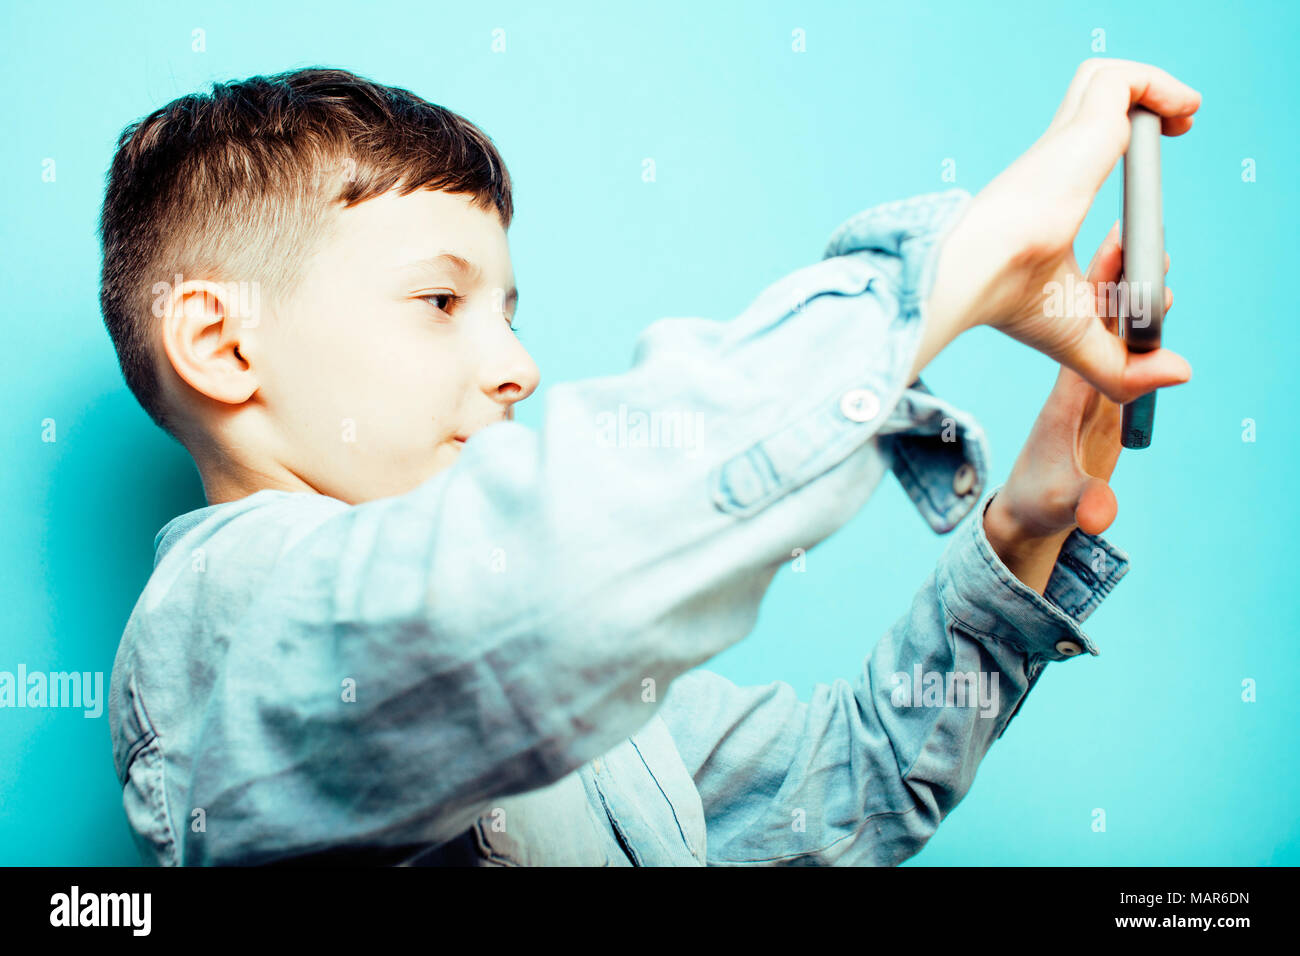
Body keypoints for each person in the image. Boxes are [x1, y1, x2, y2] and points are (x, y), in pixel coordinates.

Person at [100, 60, 1199, 865]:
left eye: (511, 315)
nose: (518, 367)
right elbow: (550, 582)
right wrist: (952, 272)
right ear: (223, 340)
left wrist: (1021, 535)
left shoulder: (569, 686)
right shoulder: (230, 611)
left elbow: (842, 788)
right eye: (441, 301)